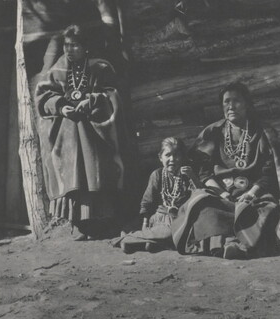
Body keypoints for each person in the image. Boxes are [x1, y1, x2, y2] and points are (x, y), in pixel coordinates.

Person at [170, 83, 280, 259]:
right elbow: (204, 172)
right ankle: (226, 244)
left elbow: (267, 173)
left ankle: (236, 243)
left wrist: (251, 194)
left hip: (253, 194)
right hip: (221, 194)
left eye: (236, 101)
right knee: (204, 206)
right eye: (226, 102)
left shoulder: (262, 132)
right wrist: (221, 193)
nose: (230, 106)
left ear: (247, 104)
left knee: (267, 210)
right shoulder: (214, 132)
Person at [35, 25, 126, 239]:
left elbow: (114, 94)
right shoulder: (57, 69)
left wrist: (92, 100)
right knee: (72, 175)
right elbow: (43, 97)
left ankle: (101, 225)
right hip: (66, 137)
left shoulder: (100, 67)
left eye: (74, 45)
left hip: (94, 134)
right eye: (66, 45)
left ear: (85, 47)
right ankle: (78, 225)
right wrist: (60, 106)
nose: (69, 50)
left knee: (95, 174)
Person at [118, 137, 197, 253]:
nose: (172, 159)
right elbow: (147, 202)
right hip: (160, 219)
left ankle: (138, 241)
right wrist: (145, 226)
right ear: (160, 157)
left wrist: (193, 177)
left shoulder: (187, 175)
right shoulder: (157, 175)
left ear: (183, 157)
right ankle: (134, 239)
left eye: (176, 155)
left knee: (184, 234)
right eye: (168, 155)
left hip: (180, 218)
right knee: (170, 233)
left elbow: (199, 194)